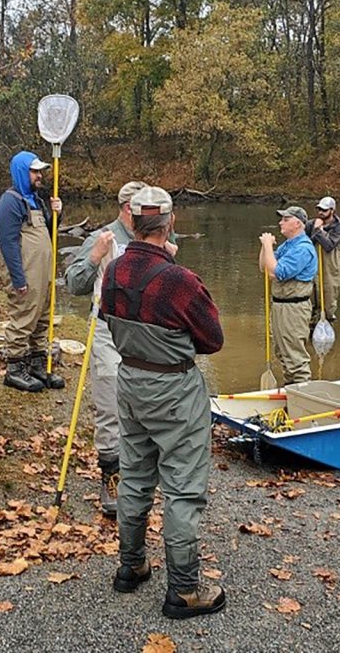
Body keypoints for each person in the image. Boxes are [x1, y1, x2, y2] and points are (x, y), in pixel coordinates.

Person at [100, 186, 225, 620]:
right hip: (174, 391)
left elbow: (108, 320)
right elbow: (213, 340)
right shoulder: (180, 281)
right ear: (169, 223)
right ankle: (185, 591)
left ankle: (131, 566)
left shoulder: (112, 270)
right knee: (183, 489)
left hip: (130, 384)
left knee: (134, 476)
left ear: (132, 221)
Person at [65, 181, 179, 516]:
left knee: (148, 397)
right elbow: (74, 284)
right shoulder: (103, 237)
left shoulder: (161, 237)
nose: (149, 213)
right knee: (111, 398)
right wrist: (94, 257)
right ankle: (111, 472)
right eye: (142, 207)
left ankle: (143, 466)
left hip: (148, 328)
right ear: (128, 208)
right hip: (108, 328)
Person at [0, 151, 64, 392]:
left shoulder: (37, 200)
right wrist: (18, 279)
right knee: (24, 317)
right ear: (22, 172)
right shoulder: (10, 202)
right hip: (25, 271)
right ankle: (14, 369)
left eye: (40, 171)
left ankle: (37, 363)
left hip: (43, 271)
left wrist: (57, 214)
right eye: (35, 171)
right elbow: (8, 243)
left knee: (43, 316)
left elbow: (50, 233)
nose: (40, 175)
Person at [259, 206, 318, 384]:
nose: (280, 222)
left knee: (295, 356)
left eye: (285, 219)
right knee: (282, 353)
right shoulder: (288, 245)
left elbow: (277, 272)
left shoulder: (303, 248)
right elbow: (265, 267)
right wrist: (264, 247)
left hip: (294, 308)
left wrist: (269, 246)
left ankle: (302, 395)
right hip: (280, 306)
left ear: (298, 223)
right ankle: (290, 390)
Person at [305, 196, 340, 322]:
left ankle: (327, 320)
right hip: (313, 260)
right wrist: (315, 229)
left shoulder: (339, 227)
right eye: (319, 209)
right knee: (312, 293)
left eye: (324, 210)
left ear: (332, 211)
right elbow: (305, 243)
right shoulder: (310, 224)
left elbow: (329, 246)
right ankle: (311, 324)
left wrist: (318, 231)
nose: (320, 213)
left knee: (329, 292)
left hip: (330, 263)